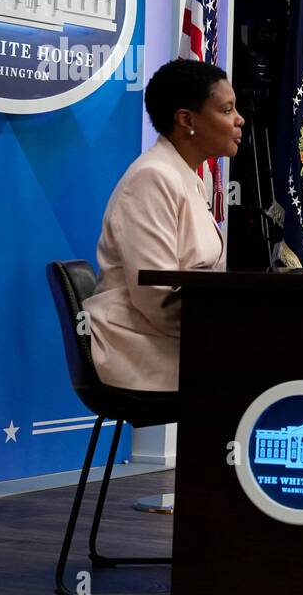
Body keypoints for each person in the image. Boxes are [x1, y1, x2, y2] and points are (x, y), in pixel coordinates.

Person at [83, 59, 243, 392]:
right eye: (227, 110)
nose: (239, 120)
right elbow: (155, 298)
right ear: (186, 120)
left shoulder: (185, 176)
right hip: (137, 346)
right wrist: (228, 331)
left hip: (178, 338)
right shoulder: (152, 177)